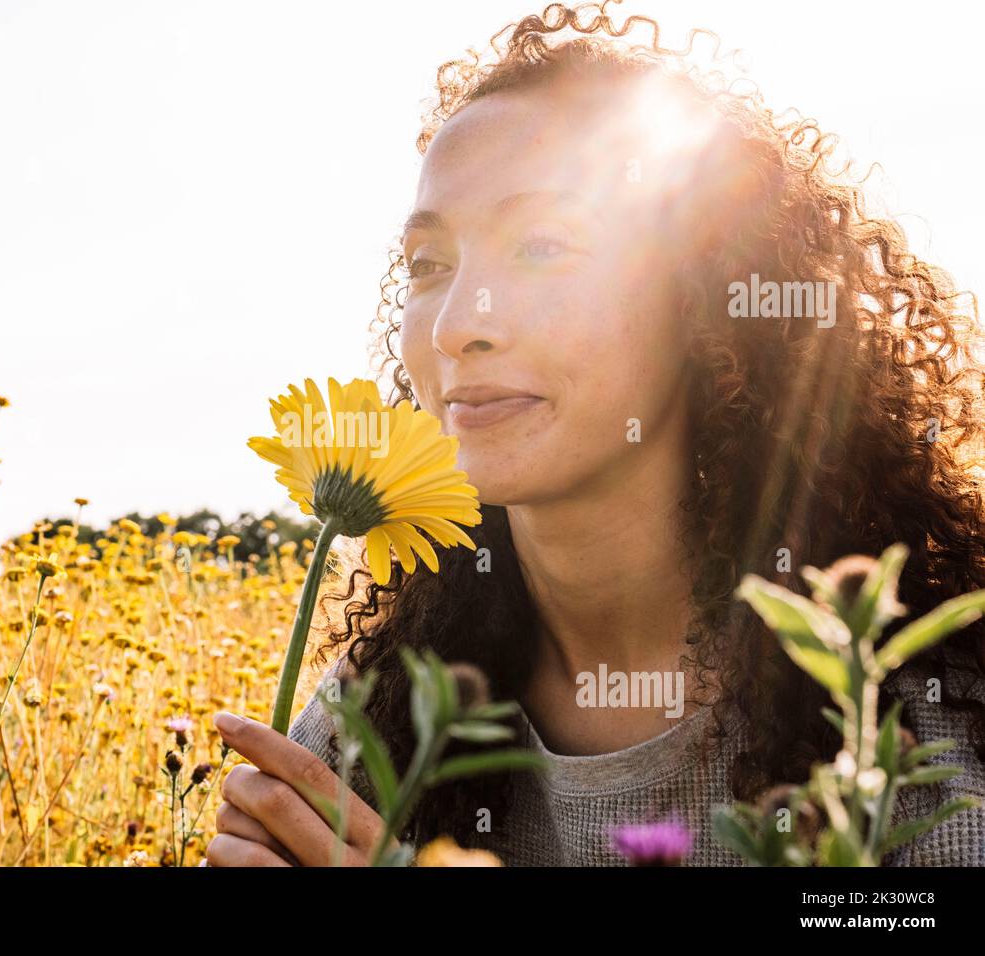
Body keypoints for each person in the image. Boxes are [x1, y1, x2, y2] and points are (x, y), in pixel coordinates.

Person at [206, 3, 985, 866]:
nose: (459, 323)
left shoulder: (931, 741)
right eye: (430, 265)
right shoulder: (375, 722)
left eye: (542, 246)